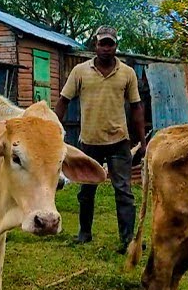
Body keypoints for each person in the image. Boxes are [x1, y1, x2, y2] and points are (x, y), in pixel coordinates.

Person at [54, 26, 147, 251]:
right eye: (102, 44)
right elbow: (63, 101)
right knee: (86, 191)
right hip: (89, 142)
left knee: (123, 191)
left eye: (110, 44)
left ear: (116, 46)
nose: (106, 48)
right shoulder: (80, 71)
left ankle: (128, 239)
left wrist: (142, 142)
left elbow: (136, 107)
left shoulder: (127, 73)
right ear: (95, 45)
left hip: (119, 142)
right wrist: (53, 131)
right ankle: (84, 234)